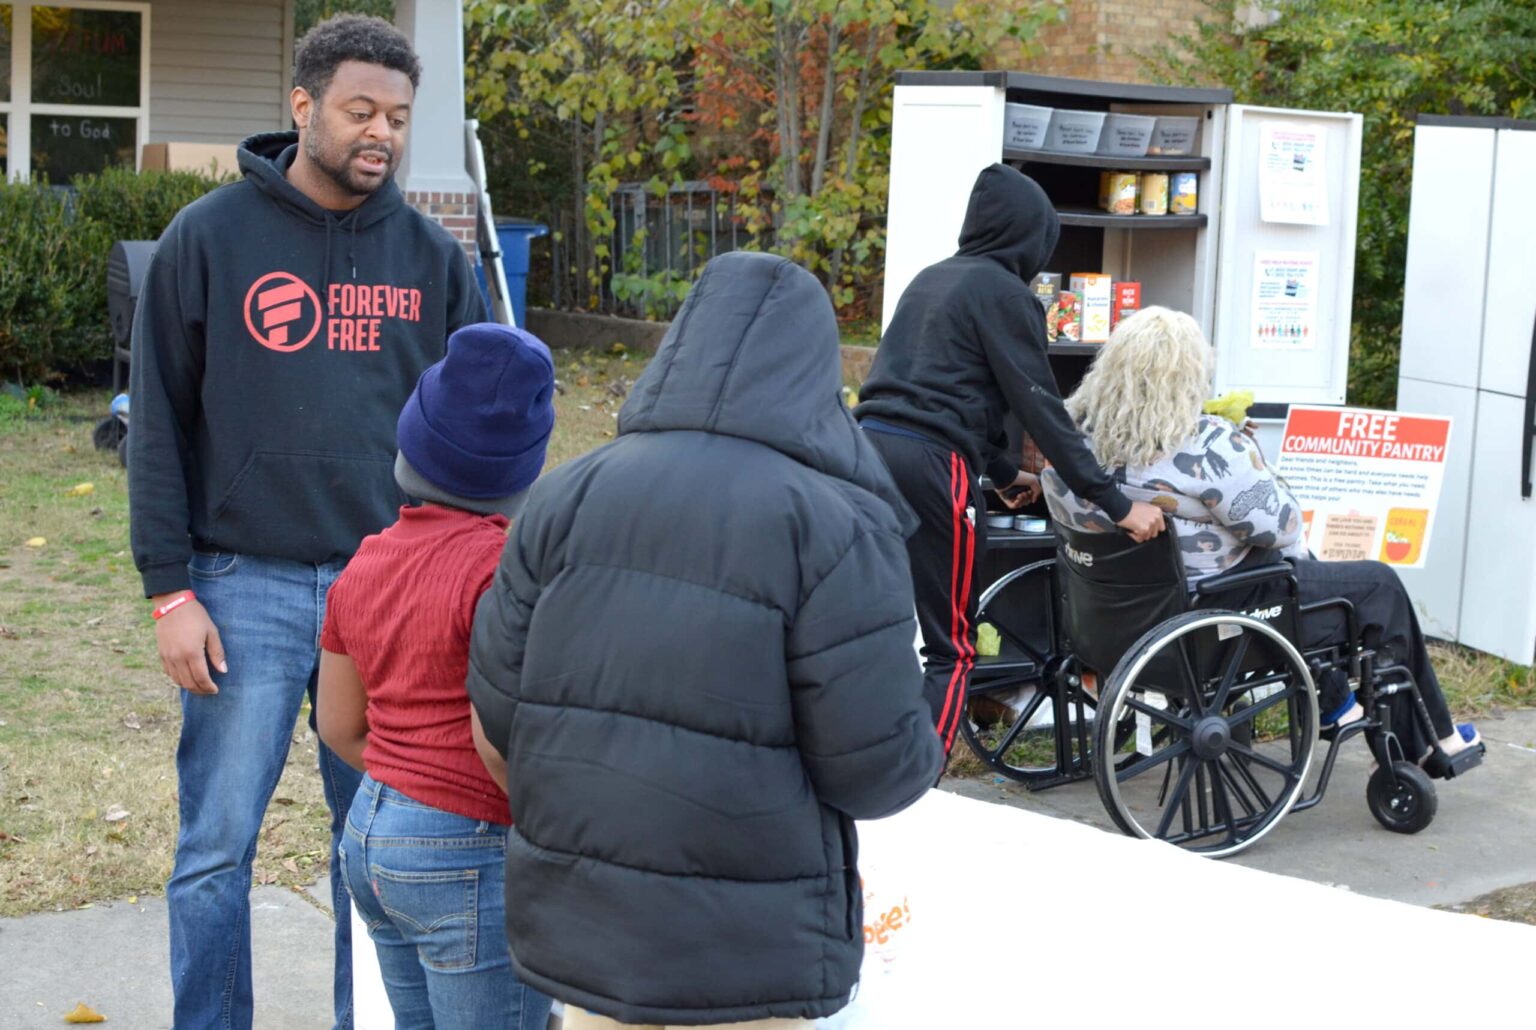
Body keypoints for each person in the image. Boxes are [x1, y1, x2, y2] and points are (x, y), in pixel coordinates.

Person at [465, 251, 943, 1029]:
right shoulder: (833, 526)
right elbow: (879, 771)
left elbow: (496, 712)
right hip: (749, 959)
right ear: (819, 373)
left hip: (588, 938)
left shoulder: (562, 495)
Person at [127, 15, 484, 1028]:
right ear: (302, 108)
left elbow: (477, 426)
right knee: (214, 850)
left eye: (399, 118)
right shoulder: (209, 239)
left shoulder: (429, 257)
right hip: (243, 586)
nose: (381, 133)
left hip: (386, 592)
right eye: (361, 110)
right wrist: (170, 591)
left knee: (372, 846)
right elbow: (157, 426)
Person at [1041, 306, 1480, 765]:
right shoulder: (1206, 443)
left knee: (1300, 580)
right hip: (1214, 622)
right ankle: (1429, 742)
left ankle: (1336, 706)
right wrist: (1248, 451)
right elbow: (1282, 526)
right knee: (1377, 585)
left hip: (1112, 622)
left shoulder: (1074, 440)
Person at [854, 162, 1165, 754]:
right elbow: (1043, 410)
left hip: (865, 451)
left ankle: (868, 748)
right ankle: (918, 779)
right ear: (1030, 237)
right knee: (954, 644)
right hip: (931, 466)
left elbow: (924, 392)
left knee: (886, 620)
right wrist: (1117, 504)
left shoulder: (930, 279)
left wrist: (1003, 473)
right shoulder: (1006, 294)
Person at [315, 323, 556, 1030]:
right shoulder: (499, 573)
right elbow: (494, 735)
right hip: (467, 844)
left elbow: (335, 723)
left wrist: (408, 778)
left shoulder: (365, 561)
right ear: (524, 469)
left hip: (370, 835)